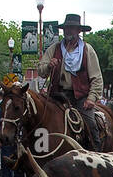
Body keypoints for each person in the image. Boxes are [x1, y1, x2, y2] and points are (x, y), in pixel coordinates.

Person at [38, 12, 103, 150]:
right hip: (57, 95)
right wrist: (49, 65)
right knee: (39, 119)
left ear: (79, 31)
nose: (69, 31)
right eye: (67, 28)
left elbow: (96, 78)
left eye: (72, 28)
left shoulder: (87, 50)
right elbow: (41, 71)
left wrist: (91, 98)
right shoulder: (54, 49)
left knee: (90, 124)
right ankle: (38, 152)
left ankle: (95, 152)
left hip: (80, 96)